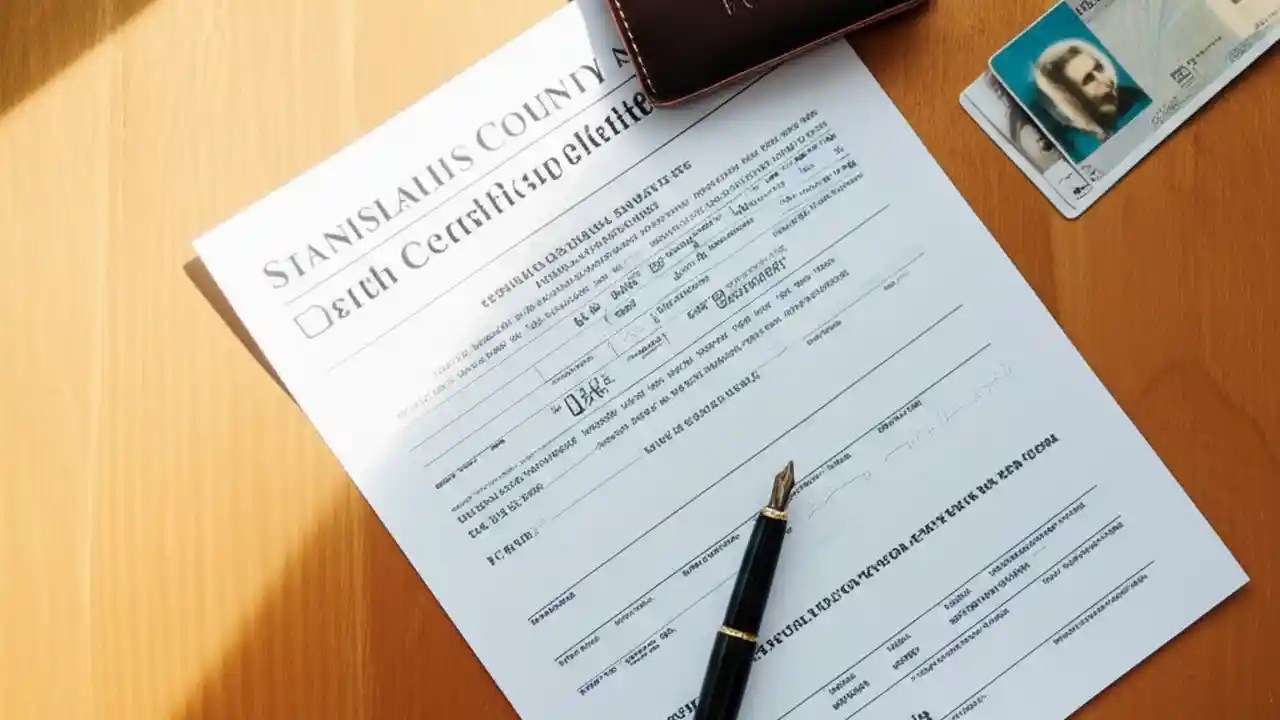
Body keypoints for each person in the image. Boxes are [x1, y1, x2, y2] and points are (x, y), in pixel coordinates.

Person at [1033, 40, 1147, 158]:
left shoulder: (1139, 102)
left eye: (1099, 69)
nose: (1104, 81)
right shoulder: (1072, 149)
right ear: (1068, 101)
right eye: (1088, 80)